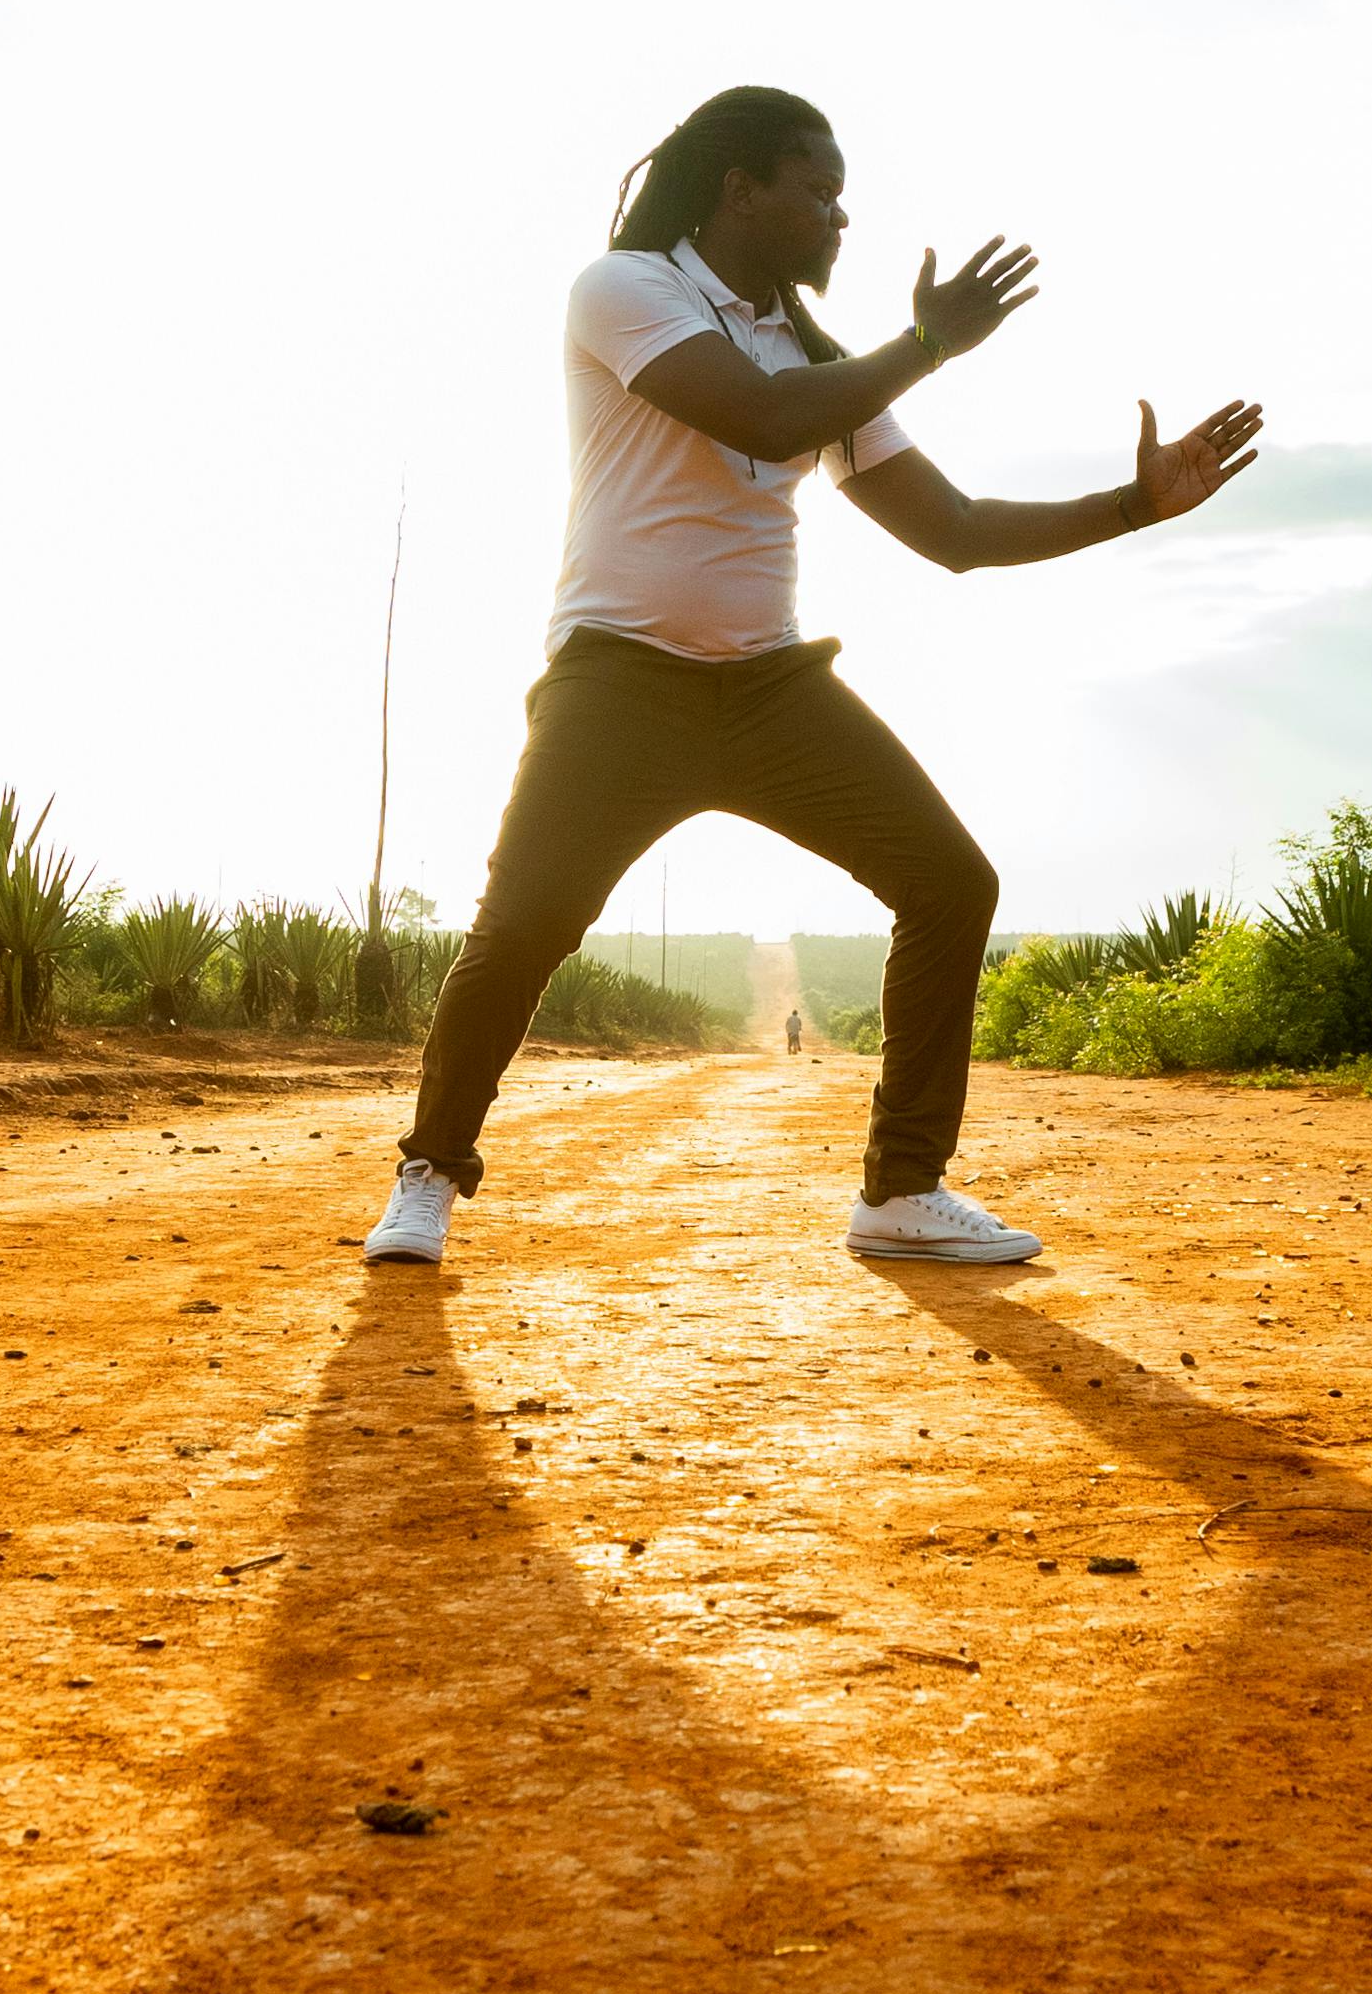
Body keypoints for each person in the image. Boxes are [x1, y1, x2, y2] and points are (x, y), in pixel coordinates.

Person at [365, 85, 1261, 1272]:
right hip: (619, 682)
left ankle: (902, 1192)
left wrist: (1134, 506)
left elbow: (954, 528)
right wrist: (929, 343)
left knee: (949, 884)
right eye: (820, 192)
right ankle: (428, 1173)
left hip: (774, 691)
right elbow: (757, 412)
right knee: (526, 923)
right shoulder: (628, 288)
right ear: (741, 190)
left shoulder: (812, 351)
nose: (841, 219)